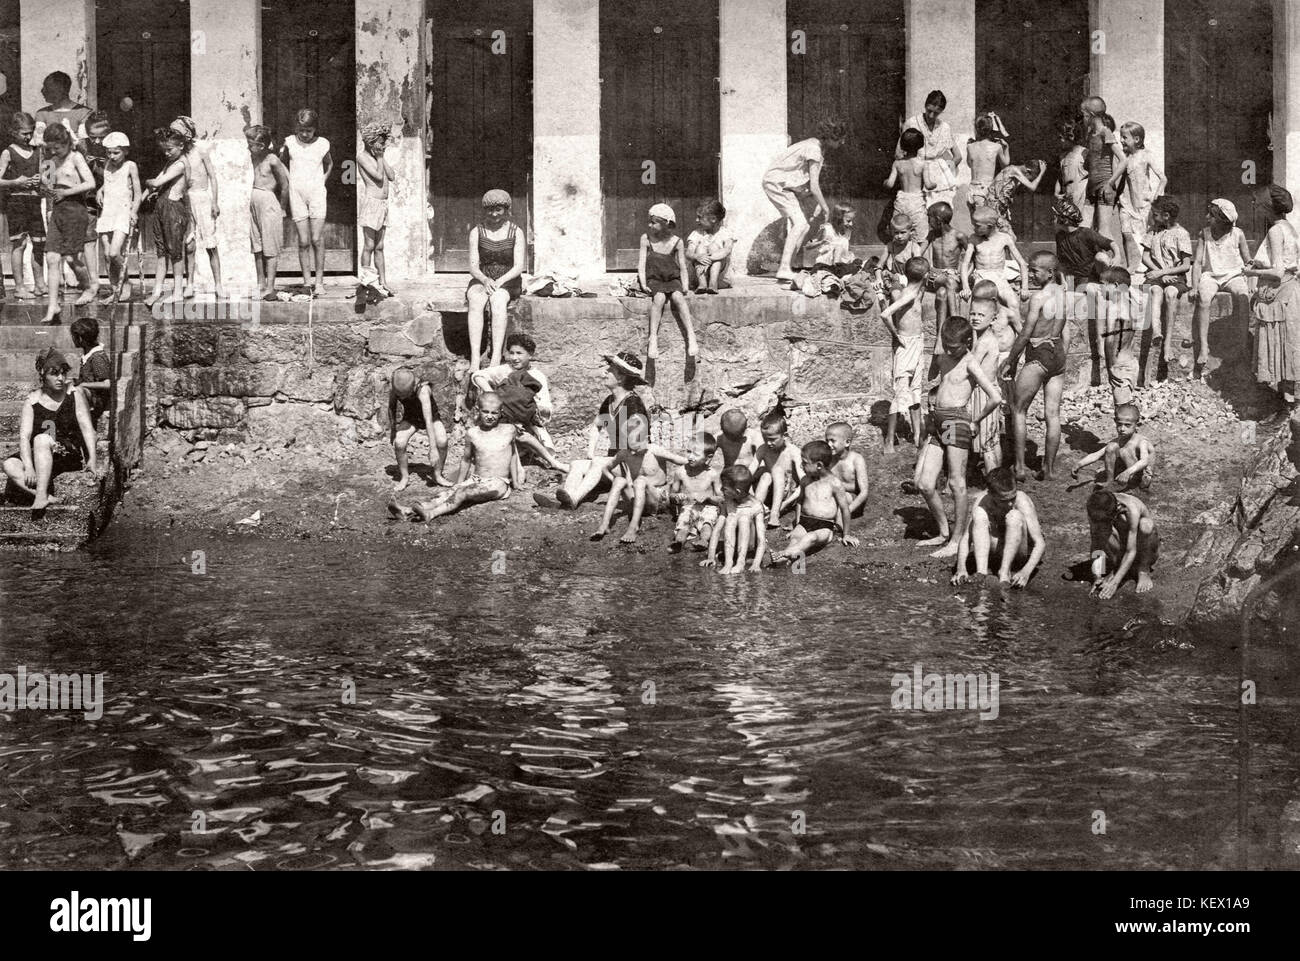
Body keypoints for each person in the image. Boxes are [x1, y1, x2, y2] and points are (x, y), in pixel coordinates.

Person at [915, 316, 1003, 557]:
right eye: (945, 344)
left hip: (956, 421)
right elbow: (935, 378)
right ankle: (943, 532)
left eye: (953, 346)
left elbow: (995, 398)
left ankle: (957, 540)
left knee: (956, 482)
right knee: (924, 483)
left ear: (966, 342)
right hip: (938, 421)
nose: (948, 350)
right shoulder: (944, 357)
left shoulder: (970, 363)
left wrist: (975, 420)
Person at [388, 392, 519, 522]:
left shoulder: (509, 430)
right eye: (486, 412)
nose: (489, 416)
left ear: (501, 412)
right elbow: (466, 460)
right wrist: (459, 483)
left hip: (498, 483)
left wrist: (516, 482)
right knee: (449, 492)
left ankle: (431, 514)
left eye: (494, 413)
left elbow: (513, 455)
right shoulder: (473, 433)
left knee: (462, 493)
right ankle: (407, 511)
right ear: (478, 411)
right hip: (476, 479)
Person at [3, 348, 98, 513]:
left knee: (41, 438)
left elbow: (86, 427)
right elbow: (24, 437)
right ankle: (45, 495)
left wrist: (93, 459)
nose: (60, 378)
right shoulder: (32, 401)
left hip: (68, 453)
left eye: (63, 373)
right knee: (9, 464)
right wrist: (29, 467)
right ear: (42, 373)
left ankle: (39, 496)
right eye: (54, 373)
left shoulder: (72, 394)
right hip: (40, 454)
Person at [550, 352, 650, 509]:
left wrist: (612, 461)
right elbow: (597, 425)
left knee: (597, 463)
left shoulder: (633, 405)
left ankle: (574, 499)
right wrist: (591, 451)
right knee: (576, 463)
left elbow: (638, 447)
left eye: (610, 370)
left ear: (621, 378)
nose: (605, 373)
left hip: (631, 467)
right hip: (613, 464)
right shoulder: (610, 401)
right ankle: (567, 499)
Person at [1003, 252, 1070, 481]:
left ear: (1049, 272)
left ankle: (1020, 467)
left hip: (1039, 355)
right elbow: (1064, 331)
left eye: (1034, 270)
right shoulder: (1062, 293)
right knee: (1053, 414)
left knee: (1018, 409)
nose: (1029, 274)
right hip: (1057, 354)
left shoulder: (1039, 298)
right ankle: (1049, 469)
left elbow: (1025, 334)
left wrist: (1010, 360)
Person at [762, 118, 845, 281]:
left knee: (804, 226)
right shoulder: (814, 149)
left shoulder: (814, 145)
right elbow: (814, 186)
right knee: (800, 224)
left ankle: (788, 265)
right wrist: (825, 207)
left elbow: (803, 179)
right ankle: (784, 268)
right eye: (840, 139)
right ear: (830, 138)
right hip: (776, 183)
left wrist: (815, 201)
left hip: (781, 183)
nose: (842, 143)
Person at [471, 333, 568, 473]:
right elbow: (478, 375)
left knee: (521, 435)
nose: (514, 358)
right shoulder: (504, 370)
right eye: (511, 353)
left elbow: (546, 409)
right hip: (502, 419)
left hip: (527, 422)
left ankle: (552, 462)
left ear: (530, 355)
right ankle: (517, 467)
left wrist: (527, 406)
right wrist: (493, 396)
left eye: (519, 353)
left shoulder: (537, 376)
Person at [589, 413, 687, 544]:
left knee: (640, 480)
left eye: (636, 448)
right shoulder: (625, 453)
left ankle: (633, 526)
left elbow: (681, 461)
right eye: (630, 448)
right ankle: (604, 524)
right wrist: (613, 481)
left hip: (657, 499)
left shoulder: (654, 450)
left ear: (646, 439)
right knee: (619, 480)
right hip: (636, 499)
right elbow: (605, 468)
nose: (633, 453)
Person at [1245, 185, 1300, 406]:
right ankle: (1287, 406)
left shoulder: (1275, 231)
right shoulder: (1289, 228)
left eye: (1257, 203)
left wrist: (1251, 272)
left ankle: (1287, 408)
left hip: (1280, 296)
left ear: (1267, 206)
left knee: (1284, 347)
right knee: (1289, 347)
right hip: (1290, 293)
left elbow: (1278, 271)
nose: (1255, 206)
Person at [38, 123, 96, 323]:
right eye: (50, 148)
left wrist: (66, 192)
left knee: (72, 259)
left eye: (58, 148)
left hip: (75, 209)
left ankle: (88, 287)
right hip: (58, 211)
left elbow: (90, 183)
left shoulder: (76, 157)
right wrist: (44, 182)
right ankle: (52, 305)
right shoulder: (51, 161)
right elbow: (48, 187)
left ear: (68, 143)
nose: (54, 151)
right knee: (52, 258)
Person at [950, 467, 1046, 587]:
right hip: (996, 551)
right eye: (1004, 500)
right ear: (990, 494)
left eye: (1012, 498)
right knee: (978, 513)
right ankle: (981, 573)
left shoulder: (1022, 501)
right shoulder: (984, 500)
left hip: (1019, 553)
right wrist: (961, 569)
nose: (1010, 503)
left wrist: (1025, 573)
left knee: (1014, 516)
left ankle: (1004, 573)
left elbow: (1040, 543)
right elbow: (966, 538)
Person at [770, 439, 858, 567]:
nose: (801, 466)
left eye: (805, 463)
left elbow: (845, 509)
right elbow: (800, 501)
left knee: (810, 538)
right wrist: (798, 523)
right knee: (795, 537)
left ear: (819, 465)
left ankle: (784, 553)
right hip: (805, 521)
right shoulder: (806, 480)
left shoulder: (834, 484)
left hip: (825, 526)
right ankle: (789, 562)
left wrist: (846, 534)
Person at [1190, 199, 1252, 379]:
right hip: (1211, 275)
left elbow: (1248, 260)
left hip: (1233, 275)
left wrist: (1251, 275)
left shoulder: (1237, 234)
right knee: (1204, 299)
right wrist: (1194, 286)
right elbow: (1198, 263)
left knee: (1242, 298)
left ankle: (1241, 347)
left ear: (1221, 218)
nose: (1207, 217)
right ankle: (1203, 347)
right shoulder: (1204, 233)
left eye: (1211, 214)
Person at [467, 189, 526, 374]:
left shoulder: (516, 232)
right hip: (484, 277)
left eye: (498, 210)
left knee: (498, 300)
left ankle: (495, 358)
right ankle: (475, 358)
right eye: (490, 210)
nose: (494, 215)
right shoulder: (477, 232)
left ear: (506, 209)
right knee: (475, 300)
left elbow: (518, 266)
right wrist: (484, 280)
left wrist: (499, 282)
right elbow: (473, 267)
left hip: (508, 278)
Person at [171, 116, 223, 299]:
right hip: (186, 200)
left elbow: (213, 177)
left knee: (210, 244)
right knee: (189, 245)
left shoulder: (201, 151)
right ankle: (190, 283)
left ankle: (219, 285)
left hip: (203, 198)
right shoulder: (178, 153)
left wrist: (214, 201)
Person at [968, 283, 1018, 474]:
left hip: (984, 393)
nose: (974, 318)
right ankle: (998, 474)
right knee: (992, 437)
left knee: (986, 443)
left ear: (992, 319)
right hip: (989, 390)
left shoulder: (985, 342)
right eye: (973, 314)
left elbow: (971, 367)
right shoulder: (982, 337)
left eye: (980, 316)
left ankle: (992, 480)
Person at [281, 108, 332, 297]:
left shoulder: (322, 144)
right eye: (301, 130)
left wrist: (322, 181)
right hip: (297, 194)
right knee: (303, 241)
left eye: (309, 130)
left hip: (317, 193)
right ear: (296, 127)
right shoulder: (289, 143)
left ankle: (319, 282)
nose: (304, 134)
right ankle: (307, 282)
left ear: (315, 129)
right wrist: (290, 180)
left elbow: (329, 164)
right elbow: (281, 164)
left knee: (316, 239)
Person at [880, 256, 929, 451]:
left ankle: (917, 434)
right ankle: (889, 439)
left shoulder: (918, 291)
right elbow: (885, 314)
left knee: (916, 389)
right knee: (901, 392)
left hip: (917, 341)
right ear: (925, 276)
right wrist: (896, 335)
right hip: (906, 344)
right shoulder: (908, 294)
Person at [639, 203, 698, 359]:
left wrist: (685, 286)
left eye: (653, 222)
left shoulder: (677, 242)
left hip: (672, 278)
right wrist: (643, 283)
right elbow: (642, 263)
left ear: (665, 224)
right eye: (649, 221)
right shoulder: (646, 239)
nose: (649, 225)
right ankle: (653, 338)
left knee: (678, 298)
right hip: (655, 279)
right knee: (658, 299)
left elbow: (683, 267)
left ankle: (691, 336)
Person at [1140, 196, 1193, 365]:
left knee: (1170, 293)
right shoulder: (1153, 231)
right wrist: (1159, 274)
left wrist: (1164, 273)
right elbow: (1145, 257)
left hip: (1175, 277)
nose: (1153, 218)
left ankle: (1168, 343)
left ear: (1166, 215)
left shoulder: (1182, 234)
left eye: (1155, 214)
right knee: (1155, 291)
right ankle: (1156, 331)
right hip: (1157, 275)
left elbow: (1185, 265)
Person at [1109, 121, 1166, 276]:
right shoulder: (1124, 158)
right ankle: (1130, 266)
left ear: (1137, 139)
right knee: (1126, 233)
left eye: (1124, 137)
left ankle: (1146, 264)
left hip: (1143, 203)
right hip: (1126, 202)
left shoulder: (1146, 155)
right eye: (1121, 137)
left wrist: (1157, 196)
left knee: (1144, 236)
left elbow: (1163, 178)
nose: (1121, 140)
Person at [143, 128, 191, 307]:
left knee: (175, 252)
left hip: (174, 210)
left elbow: (156, 183)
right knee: (161, 252)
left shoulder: (180, 164)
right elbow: (154, 185)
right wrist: (136, 206)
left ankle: (178, 291)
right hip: (161, 208)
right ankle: (157, 290)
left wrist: (149, 183)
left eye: (170, 149)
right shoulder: (169, 163)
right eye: (164, 149)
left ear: (181, 145)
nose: (166, 153)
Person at [0, 112, 46, 299]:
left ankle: (40, 284)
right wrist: (16, 182)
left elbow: (44, 175)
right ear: (13, 132)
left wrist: (39, 179)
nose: (28, 137)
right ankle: (19, 287)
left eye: (30, 132)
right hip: (17, 202)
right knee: (19, 244)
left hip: (34, 201)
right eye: (24, 133)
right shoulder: (8, 152)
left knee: (39, 243)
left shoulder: (37, 151)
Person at [1086, 488, 1159, 598]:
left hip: (1142, 547)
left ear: (1115, 512)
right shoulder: (1095, 509)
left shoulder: (1131, 509)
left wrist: (1114, 584)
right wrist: (1097, 576)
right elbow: (1096, 544)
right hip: (1122, 547)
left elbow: (1131, 551)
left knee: (1146, 525)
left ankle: (1143, 570)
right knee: (1099, 529)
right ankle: (1118, 568)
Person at [387, 367, 450, 492]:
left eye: (404, 395)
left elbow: (428, 421)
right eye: (400, 395)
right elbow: (391, 407)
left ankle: (438, 474)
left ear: (413, 387)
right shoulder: (395, 387)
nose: (401, 397)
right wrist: (393, 430)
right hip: (411, 418)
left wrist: (432, 449)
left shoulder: (423, 390)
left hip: (431, 419)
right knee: (399, 443)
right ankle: (404, 477)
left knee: (442, 442)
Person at [95, 131, 141, 303]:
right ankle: (115, 290)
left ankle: (126, 281)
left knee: (115, 253)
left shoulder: (130, 166)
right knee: (107, 255)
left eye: (116, 152)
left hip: (123, 211)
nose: (112, 156)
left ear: (125, 151)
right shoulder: (107, 164)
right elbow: (109, 183)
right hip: (108, 211)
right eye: (109, 152)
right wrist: (101, 190)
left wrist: (134, 211)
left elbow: (137, 193)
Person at [245, 126, 290, 299]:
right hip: (254, 200)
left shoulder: (272, 160)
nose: (248, 147)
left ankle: (270, 287)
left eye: (251, 144)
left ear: (262, 146)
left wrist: (283, 208)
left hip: (269, 202)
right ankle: (260, 284)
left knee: (270, 247)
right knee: (256, 246)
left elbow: (285, 185)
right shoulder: (253, 157)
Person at [897, 90, 959, 209]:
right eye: (929, 111)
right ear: (925, 106)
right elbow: (899, 153)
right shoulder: (912, 123)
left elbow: (957, 156)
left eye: (936, 113)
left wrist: (947, 167)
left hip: (939, 182)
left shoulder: (945, 127)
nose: (931, 116)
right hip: (916, 177)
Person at [1073, 403, 1155, 491]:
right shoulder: (1120, 439)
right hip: (1128, 468)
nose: (1122, 429)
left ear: (1137, 424)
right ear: (1115, 422)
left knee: (1124, 451)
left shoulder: (1141, 441)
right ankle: (1109, 481)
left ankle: (1131, 483)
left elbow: (1144, 461)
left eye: (1127, 425)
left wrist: (1128, 472)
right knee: (1111, 447)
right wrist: (1079, 464)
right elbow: (1097, 454)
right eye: (1119, 424)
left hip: (1141, 473)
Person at [1079, 97, 1125, 254]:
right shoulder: (1090, 134)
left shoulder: (1106, 132)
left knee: (1104, 232)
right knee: (1084, 228)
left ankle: (1118, 260)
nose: (1083, 119)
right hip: (1091, 187)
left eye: (1084, 115)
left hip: (1104, 186)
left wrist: (1110, 183)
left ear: (1091, 115)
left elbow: (1123, 161)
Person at [701, 465, 766, 574]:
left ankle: (740, 563)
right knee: (731, 519)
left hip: (750, 545)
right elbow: (717, 530)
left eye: (724, 488)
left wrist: (756, 564)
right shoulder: (728, 502)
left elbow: (761, 539)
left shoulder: (756, 506)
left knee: (744, 518)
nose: (721, 490)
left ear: (737, 491)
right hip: (732, 544)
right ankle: (729, 563)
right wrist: (711, 556)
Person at [961, 206, 1028, 310]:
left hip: (1000, 277)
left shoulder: (1004, 238)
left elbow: (1022, 263)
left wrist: (1025, 287)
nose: (974, 229)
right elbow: (965, 264)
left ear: (989, 226)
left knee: (1014, 304)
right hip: (981, 277)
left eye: (977, 226)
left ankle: (1013, 326)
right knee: (975, 305)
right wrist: (965, 286)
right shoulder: (973, 239)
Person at [358, 121, 395, 298]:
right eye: (380, 142)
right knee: (369, 245)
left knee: (380, 247)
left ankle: (383, 282)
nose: (383, 145)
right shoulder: (362, 157)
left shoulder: (377, 157)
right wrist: (379, 158)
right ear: (370, 142)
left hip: (383, 206)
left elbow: (392, 176)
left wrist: (382, 157)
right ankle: (366, 282)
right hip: (372, 204)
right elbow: (379, 177)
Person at [668, 432, 721, 552]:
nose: (690, 457)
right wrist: (676, 497)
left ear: (709, 457)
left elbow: (721, 498)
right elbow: (672, 495)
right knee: (683, 524)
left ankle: (703, 540)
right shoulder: (680, 472)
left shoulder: (712, 474)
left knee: (707, 523)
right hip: (689, 506)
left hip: (708, 507)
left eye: (696, 454)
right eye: (688, 451)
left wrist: (708, 498)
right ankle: (678, 542)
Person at [750, 410, 804, 529]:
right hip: (769, 495)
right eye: (765, 439)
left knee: (777, 472)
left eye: (772, 439)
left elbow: (804, 483)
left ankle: (774, 513)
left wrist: (785, 504)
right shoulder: (763, 449)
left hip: (788, 496)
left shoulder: (793, 452)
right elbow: (749, 473)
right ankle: (755, 510)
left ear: (784, 436)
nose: (768, 443)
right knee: (765, 475)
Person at [79, 110, 110, 290]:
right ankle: (93, 282)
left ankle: (116, 283)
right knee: (88, 241)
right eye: (93, 137)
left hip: (110, 200)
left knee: (110, 245)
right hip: (88, 199)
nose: (97, 141)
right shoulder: (81, 146)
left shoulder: (115, 145)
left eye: (102, 137)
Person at [923, 201, 966, 327]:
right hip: (935, 277)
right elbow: (918, 253)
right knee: (949, 282)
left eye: (929, 218)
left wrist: (964, 278)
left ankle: (940, 337)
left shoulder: (959, 236)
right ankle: (956, 323)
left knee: (942, 293)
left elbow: (972, 257)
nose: (928, 222)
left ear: (937, 220)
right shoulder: (932, 235)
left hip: (952, 277)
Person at [984, 159, 1047, 240]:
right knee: (1011, 238)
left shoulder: (1015, 173)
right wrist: (1041, 173)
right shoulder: (1013, 170)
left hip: (998, 210)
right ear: (1028, 171)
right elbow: (1032, 187)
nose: (1030, 180)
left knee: (1004, 238)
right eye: (1033, 177)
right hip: (993, 209)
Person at [886, 129, 928, 246]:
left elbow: (890, 184)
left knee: (898, 233)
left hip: (902, 200)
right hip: (916, 202)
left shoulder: (898, 163)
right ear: (920, 146)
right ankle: (917, 260)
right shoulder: (922, 163)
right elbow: (929, 185)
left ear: (902, 145)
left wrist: (885, 182)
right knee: (920, 237)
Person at [966, 111, 1011, 218]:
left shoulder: (970, 146)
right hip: (985, 189)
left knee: (976, 224)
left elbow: (969, 164)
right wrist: (1007, 148)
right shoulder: (996, 147)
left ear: (976, 129)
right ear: (990, 130)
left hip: (972, 190)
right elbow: (1005, 164)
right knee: (986, 224)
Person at [685, 199, 735, 293]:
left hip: (721, 278)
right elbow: (688, 252)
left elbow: (727, 250)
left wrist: (708, 259)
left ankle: (713, 284)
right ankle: (702, 284)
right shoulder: (696, 233)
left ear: (713, 219)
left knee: (714, 248)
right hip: (698, 275)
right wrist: (698, 256)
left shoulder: (726, 233)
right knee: (700, 248)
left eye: (700, 217)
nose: (696, 220)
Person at [70, 317, 112, 429]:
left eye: (74, 337)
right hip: (87, 394)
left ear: (80, 339)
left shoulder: (97, 357)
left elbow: (107, 384)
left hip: (97, 399)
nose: (73, 339)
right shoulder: (88, 354)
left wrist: (83, 385)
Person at [825, 422, 869, 516]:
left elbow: (864, 492)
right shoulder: (829, 460)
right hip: (835, 498)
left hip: (854, 501)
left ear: (847, 442)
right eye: (827, 441)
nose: (829, 444)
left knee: (843, 497)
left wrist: (848, 511)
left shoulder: (856, 459)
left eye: (833, 441)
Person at [34, 71, 92, 143]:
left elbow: (83, 144)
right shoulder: (42, 114)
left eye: (47, 87)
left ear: (60, 90)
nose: (42, 91)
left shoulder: (84, 113)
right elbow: (38, 142)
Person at [804, 201, 858, 276]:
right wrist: (821, 242)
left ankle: (839, 272)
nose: (851, 224)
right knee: (837, 248)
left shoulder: (847, 232)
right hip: (826, 266)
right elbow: (808, 246)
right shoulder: (827, 229)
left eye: (852, 221)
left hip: (842, 266)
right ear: (838, 218)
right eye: (848, 221)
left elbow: (846, 251)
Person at [1056, 117, 1088, 215]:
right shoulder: (1063, 156)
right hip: (1067, 198)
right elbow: (1060, 178)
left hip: (1081, 197)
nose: (1059, 142)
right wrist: (1056, 192)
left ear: (1071, 136)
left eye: (1061, 138)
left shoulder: (1084, 152)